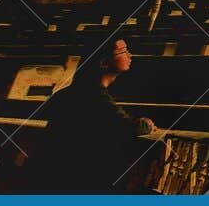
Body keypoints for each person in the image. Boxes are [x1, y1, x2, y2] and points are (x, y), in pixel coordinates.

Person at [28, 38, 159, 193]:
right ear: (103, 62)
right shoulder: (94, 96)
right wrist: (146, 124)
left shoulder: (70, 92)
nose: (130, 55)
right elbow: (129, 127)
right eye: (123, 51)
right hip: (69, 183)